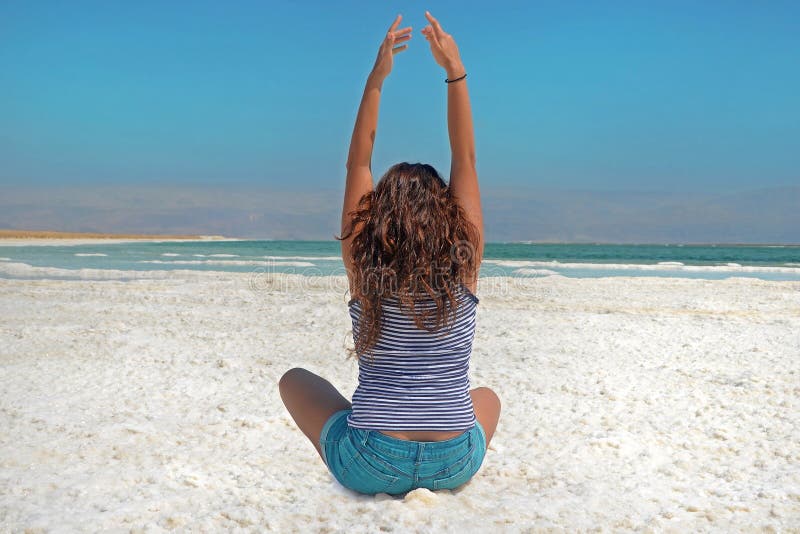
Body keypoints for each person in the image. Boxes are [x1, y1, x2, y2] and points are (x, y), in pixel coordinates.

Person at [279, 11, 501, 495]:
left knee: (294, 380)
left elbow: (358, 160)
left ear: (378, 217)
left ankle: (377, 438)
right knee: (487, 399)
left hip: (371, 462)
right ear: (445, 215)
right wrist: (454, 71)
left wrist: (376, 80)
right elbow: (465, 159)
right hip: (453, 461)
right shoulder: (465, 259)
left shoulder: (362, 261)